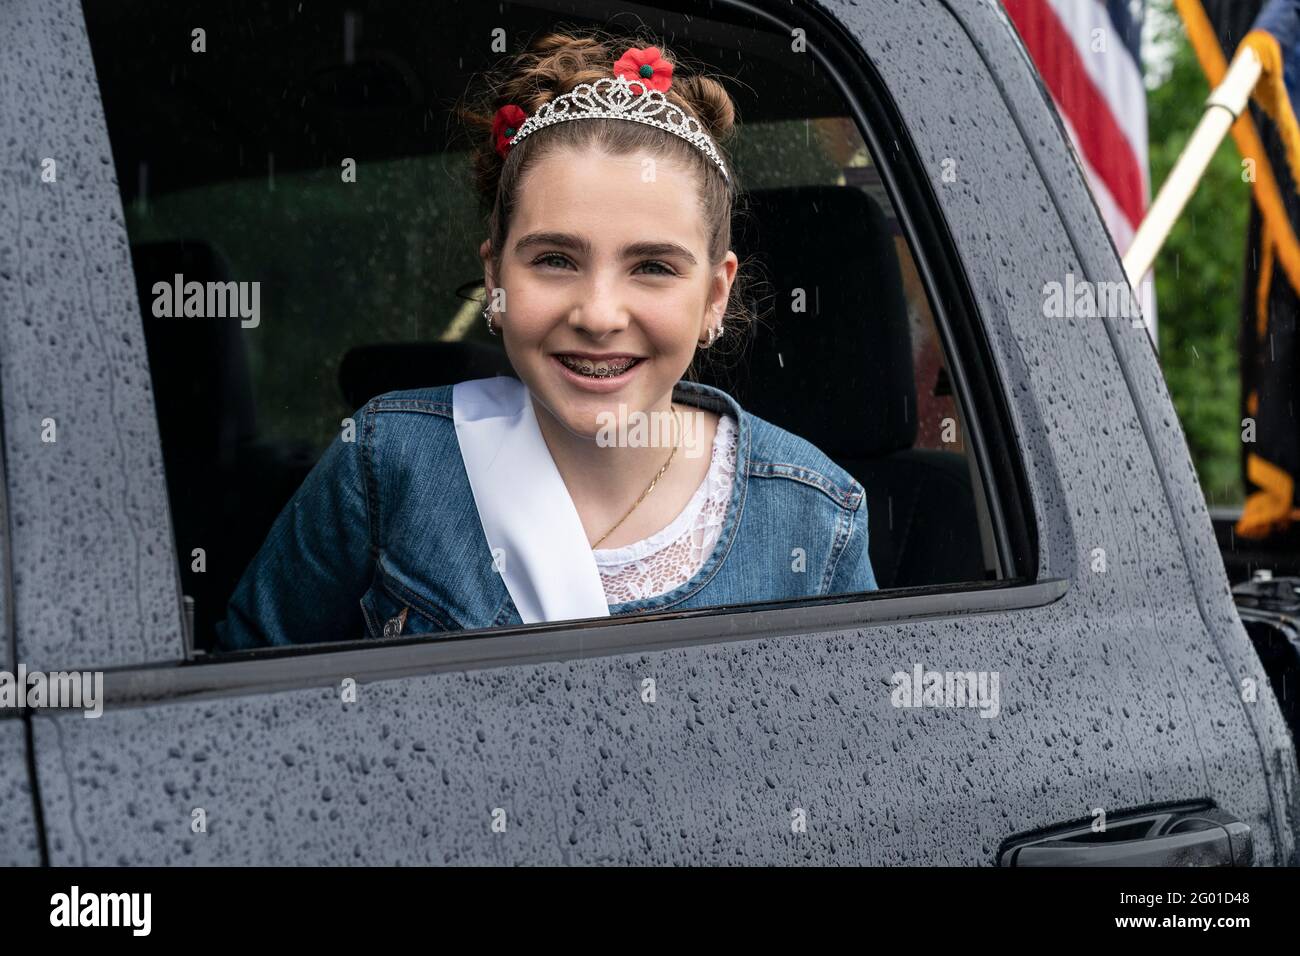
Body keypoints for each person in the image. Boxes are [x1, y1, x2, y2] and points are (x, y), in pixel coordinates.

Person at [215, 29, 876, 650]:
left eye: (652, 267)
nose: (597, 314)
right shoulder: (389, 463)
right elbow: (233, 710)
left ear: (713, 297)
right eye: (556, 260)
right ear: (494, 277)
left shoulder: (815, 518)